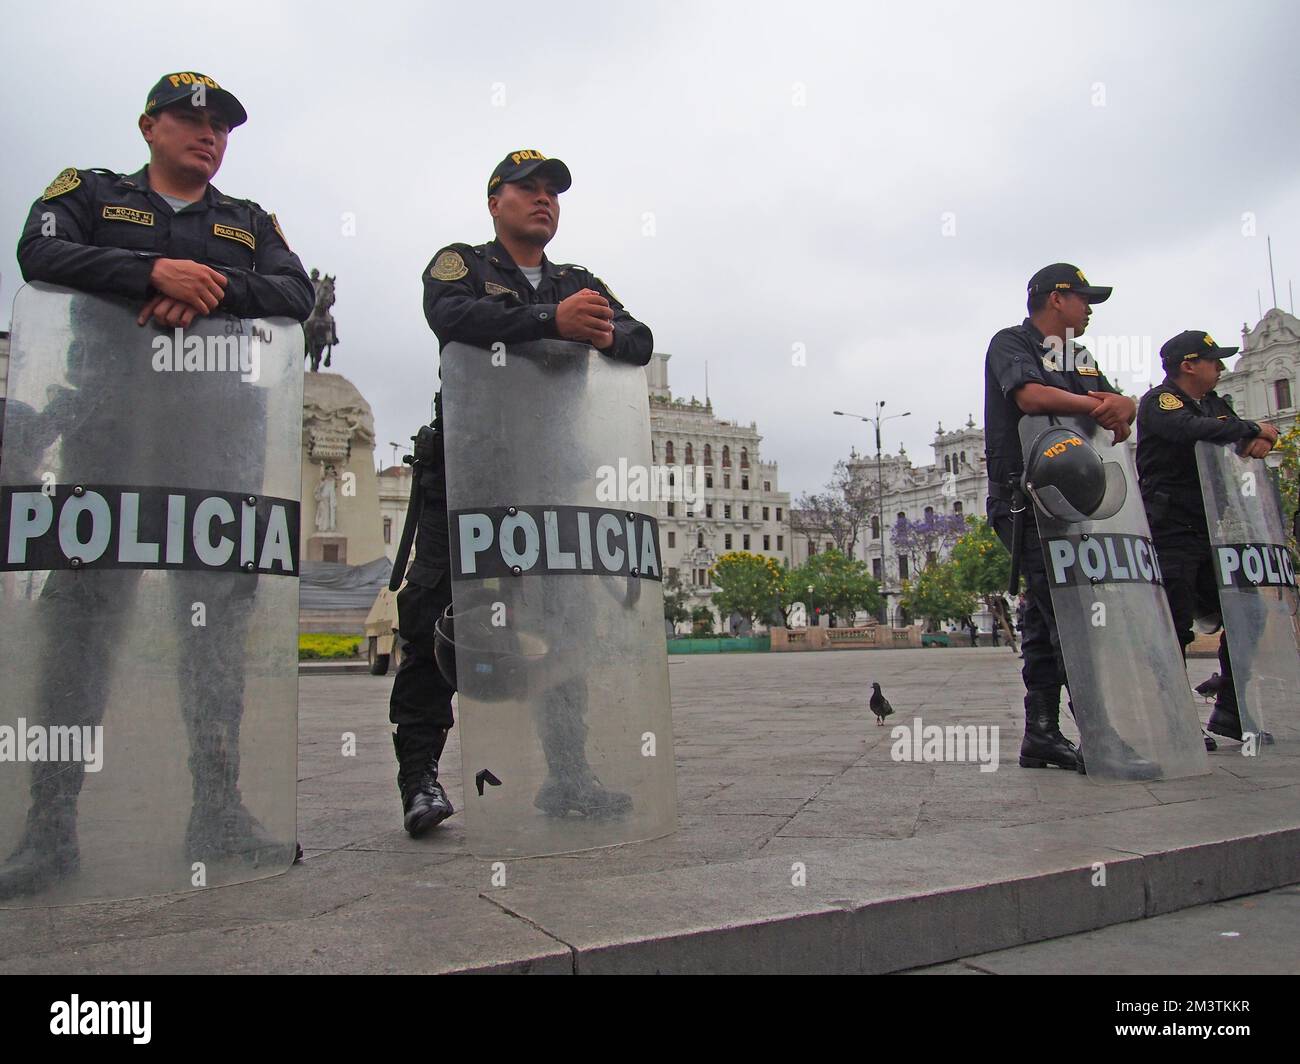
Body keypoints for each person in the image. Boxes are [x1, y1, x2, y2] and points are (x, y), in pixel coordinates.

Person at [0, 72, 313, 899]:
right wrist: (151, 272)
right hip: (109, 447)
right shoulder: (90, 193)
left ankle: (218, 811)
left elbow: (293, 293)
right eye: (189, 120)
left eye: (220, 127)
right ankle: (49, 829)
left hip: (215, 453)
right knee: (78, 639)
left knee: (214, 644)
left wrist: (201, 287)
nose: (207, 135)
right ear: (149, 125)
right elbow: (38, 252)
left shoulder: (247, 224)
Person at [389, 150, 653, 836]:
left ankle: (568, 776)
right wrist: (548, 324)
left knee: (563, 627)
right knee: (436, 622)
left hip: (549, 483)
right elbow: (453, 317)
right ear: (493, 201)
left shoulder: (578, 280)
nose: (543, 201)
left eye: (552, 193)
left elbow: (637, 338)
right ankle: (420, 779)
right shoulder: (462, 264)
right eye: (527, 190)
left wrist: (603, 329)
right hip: (467, 481)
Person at [983, 263, 1137, 771]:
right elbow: (1030, 397)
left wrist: (1122, 405)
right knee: (1069, 615)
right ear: (1056, 298)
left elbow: (1108, 403)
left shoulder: (1079, 357)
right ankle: (1102, 730)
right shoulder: (1011, 343)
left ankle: (1042, 734)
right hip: (1024, 501)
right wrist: (1098, 406)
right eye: (1084, 299)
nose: (1090, 310)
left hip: (1076, 504)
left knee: (1047, 618)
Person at [1136, 330, 1279, 746]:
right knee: (1174, 625)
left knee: (1248, 611)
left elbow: (1233, 432)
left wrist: (1263, 435)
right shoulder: (1161, 402)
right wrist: (1252, 427)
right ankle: (1175, 719)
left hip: (1214, 530)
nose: (1220, 368)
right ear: (1188, 364)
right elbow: (1191, 430)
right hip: (1171, 530)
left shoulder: (1215, 404)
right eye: (1214, 361)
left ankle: (1232, 710)